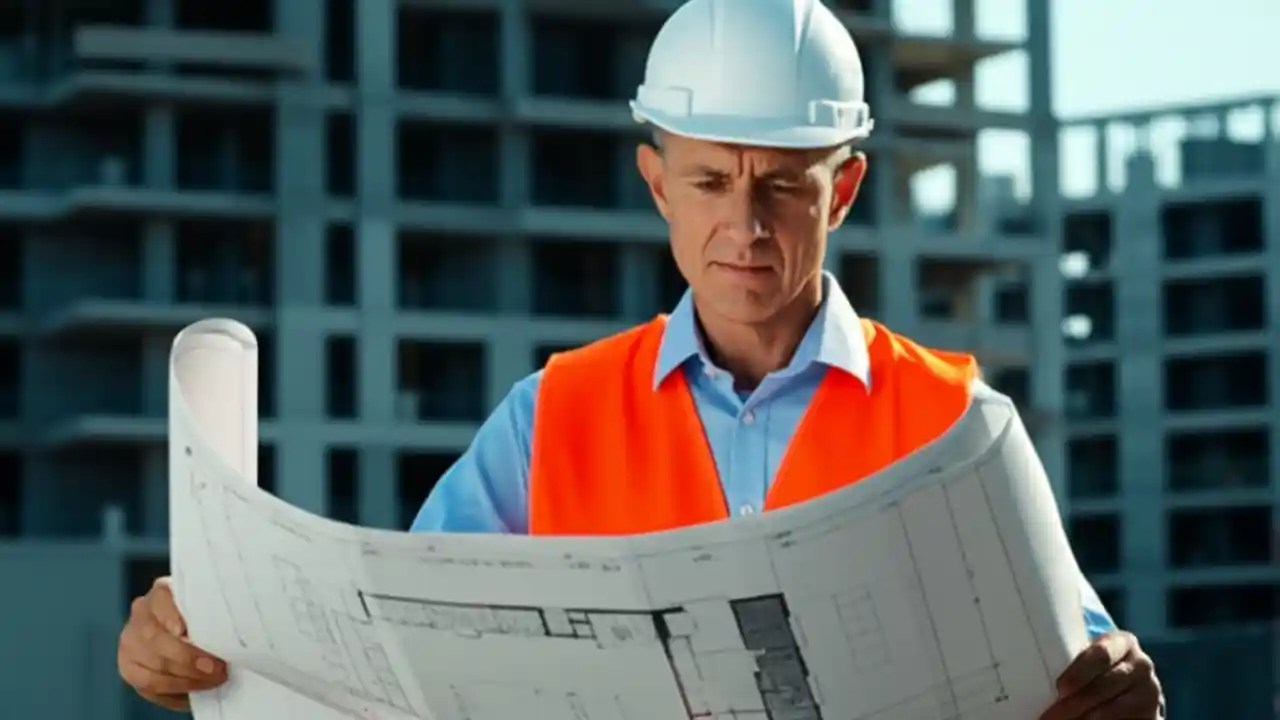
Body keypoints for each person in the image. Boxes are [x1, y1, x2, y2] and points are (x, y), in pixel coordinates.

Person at [118, 0, 1164, 716]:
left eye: (781, 189)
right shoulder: (550, 419)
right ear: (657, 184)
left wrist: (1120, 691)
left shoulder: (953, 424)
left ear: (839, 194)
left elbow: (1069, 676)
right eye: (710, 184)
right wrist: (201, 666)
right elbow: (394, 669)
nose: (743, 227)